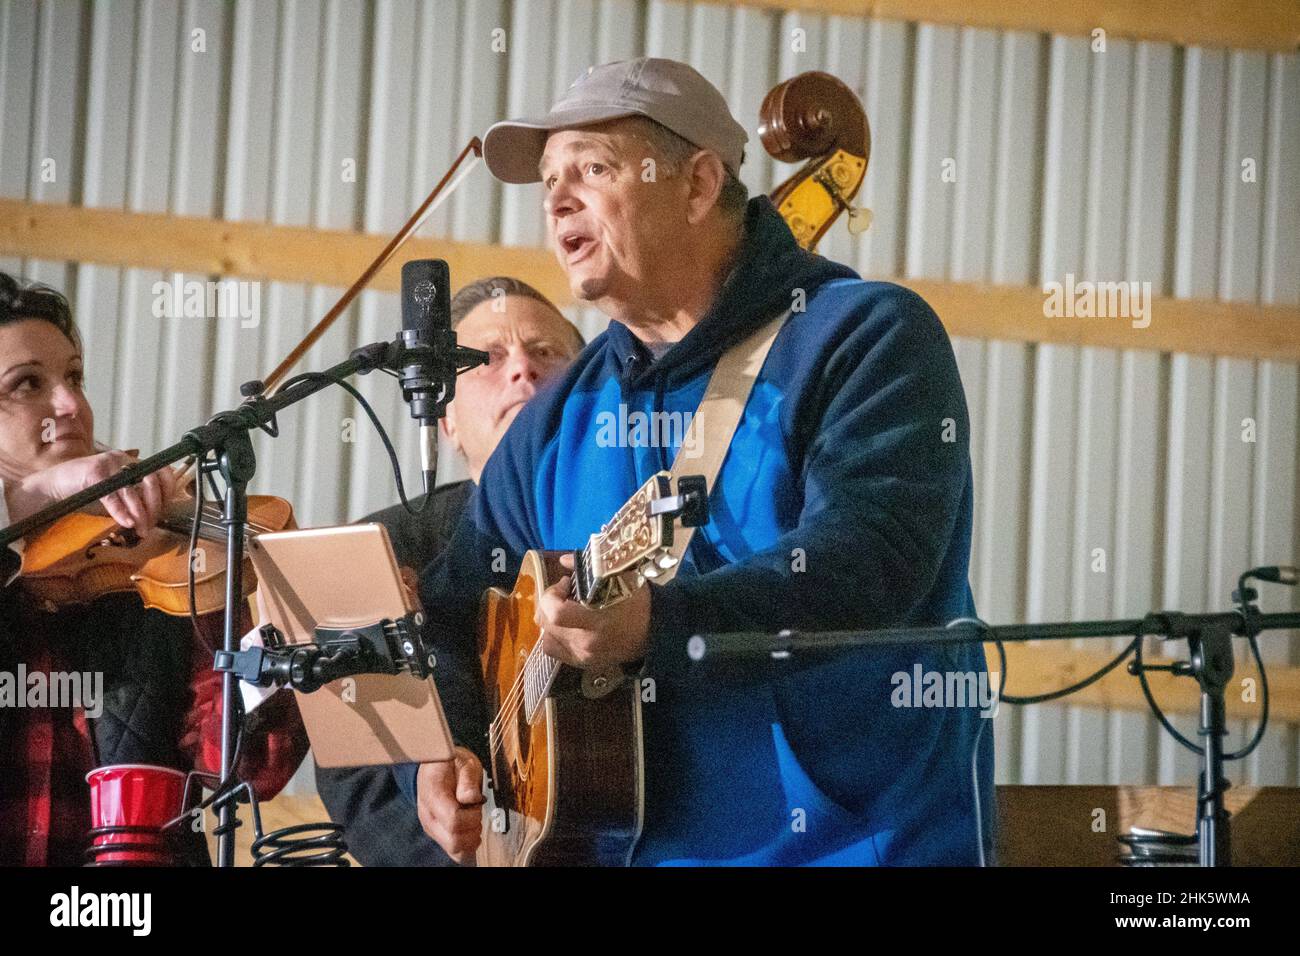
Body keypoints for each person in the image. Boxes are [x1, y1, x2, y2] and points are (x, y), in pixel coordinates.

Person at [396, 57, 996, 867]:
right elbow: (448, 615)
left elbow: (872, 563)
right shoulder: (558, 417)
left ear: (699, 183)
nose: (557, 200)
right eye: (548, 182)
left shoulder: (865, 337)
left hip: (856, 850)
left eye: (593, 170)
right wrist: (441, 753)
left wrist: (661, 623)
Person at [0, 273, 307, 866]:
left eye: (75, 377)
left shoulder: (152, 564)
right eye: (28, 384)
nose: (69, 405)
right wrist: (31, 497)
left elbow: (244, 765)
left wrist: (283, 633)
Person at [313, 277, 584, 866]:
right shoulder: (388, 546)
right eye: (487, 358)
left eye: (545, 353)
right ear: (446, 422)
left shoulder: (618, 513)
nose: (522, 372)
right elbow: (356, 778)